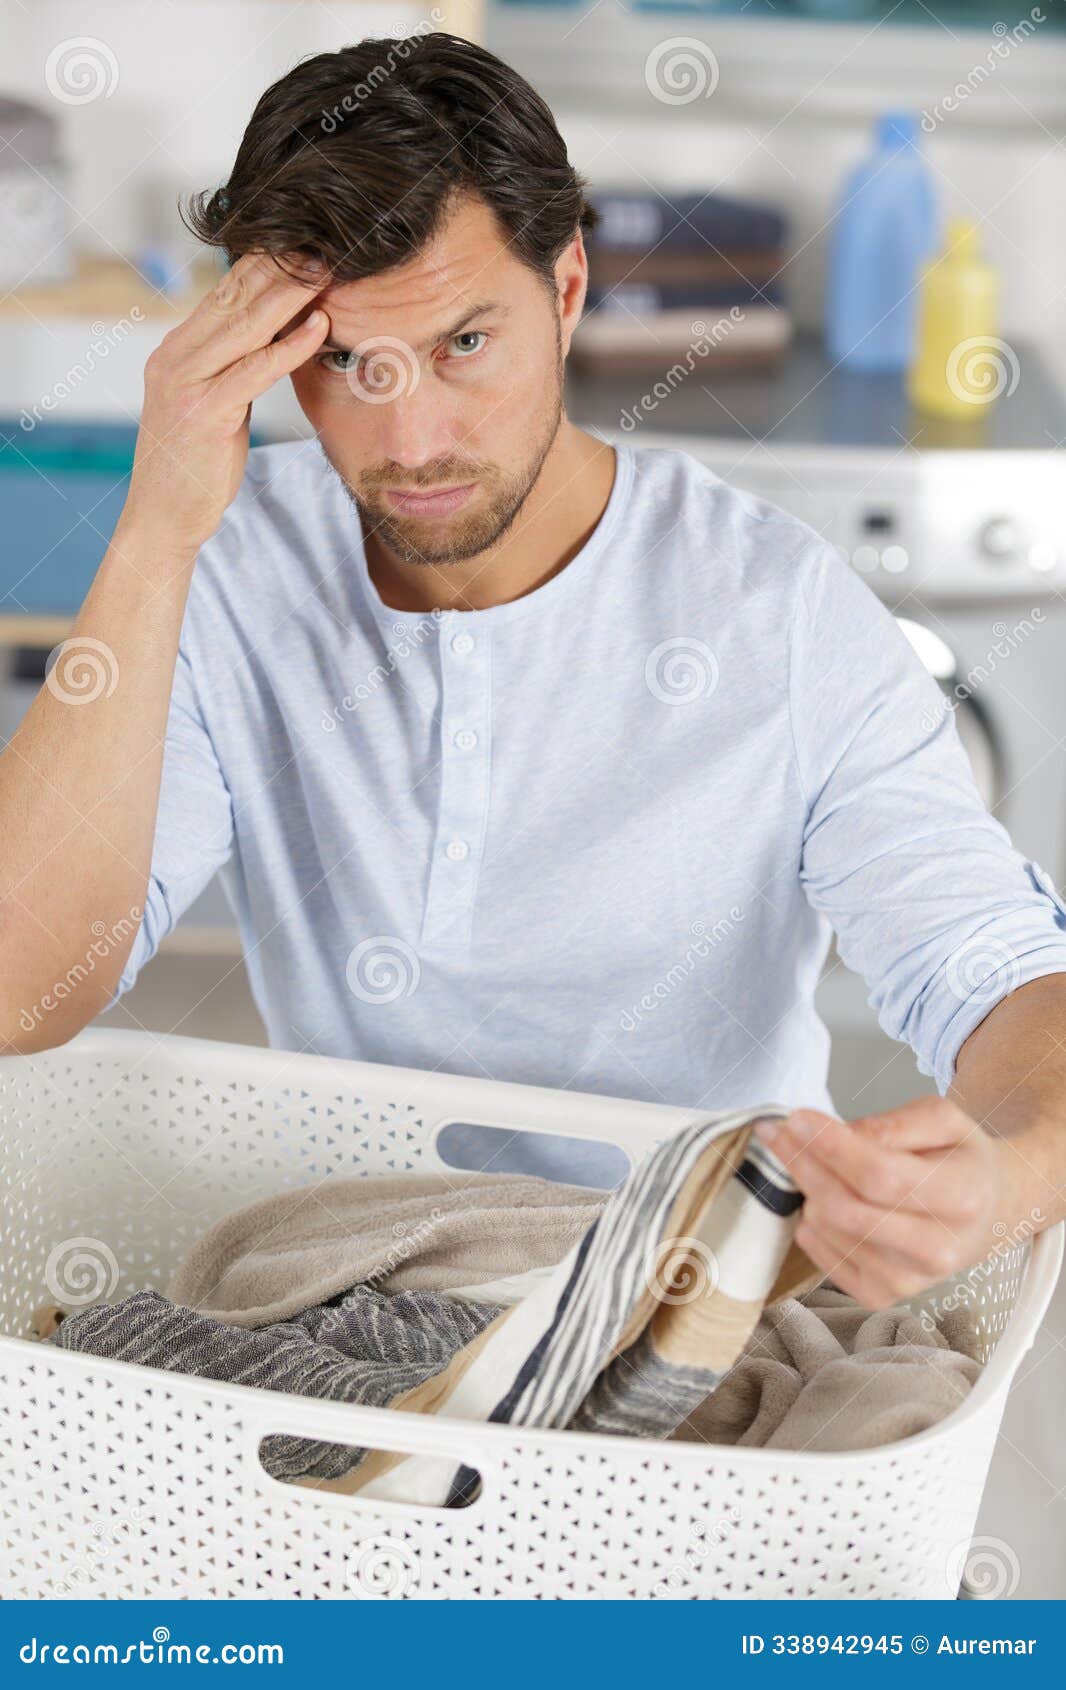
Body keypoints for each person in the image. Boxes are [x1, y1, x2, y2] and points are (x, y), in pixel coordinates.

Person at [2, 33, 1065, 1310]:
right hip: (358, 1272)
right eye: (345, 361)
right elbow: (21, 992)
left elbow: (996, 968)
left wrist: (1006, 1178)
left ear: (565, 290)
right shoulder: (224, 565)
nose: (414, 439)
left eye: (463, 343)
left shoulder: (775, 606)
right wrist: (154, 522)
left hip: (693, 1285)